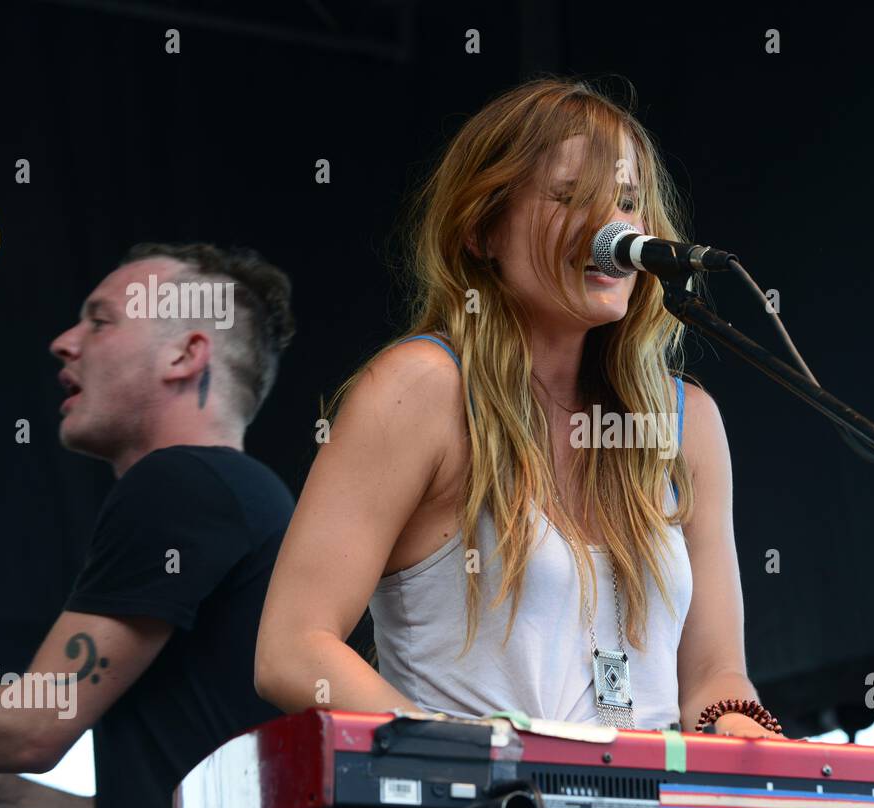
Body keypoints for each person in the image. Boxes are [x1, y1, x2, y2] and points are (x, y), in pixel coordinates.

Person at [256, 77, 782, 739]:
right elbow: (293, 648)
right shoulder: (423, 388)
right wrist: (475, 758)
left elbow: (714, 679)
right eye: (570, 198)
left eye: (627, 201)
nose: (612, 227)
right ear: (482, 230)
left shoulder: (687, 421)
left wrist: (757, 742)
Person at [0, 242, 297, 808]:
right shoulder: (237, 494)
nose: (63, 342)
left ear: (184, 354)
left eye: (100, 320)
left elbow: (35, 725)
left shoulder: (180, 482)